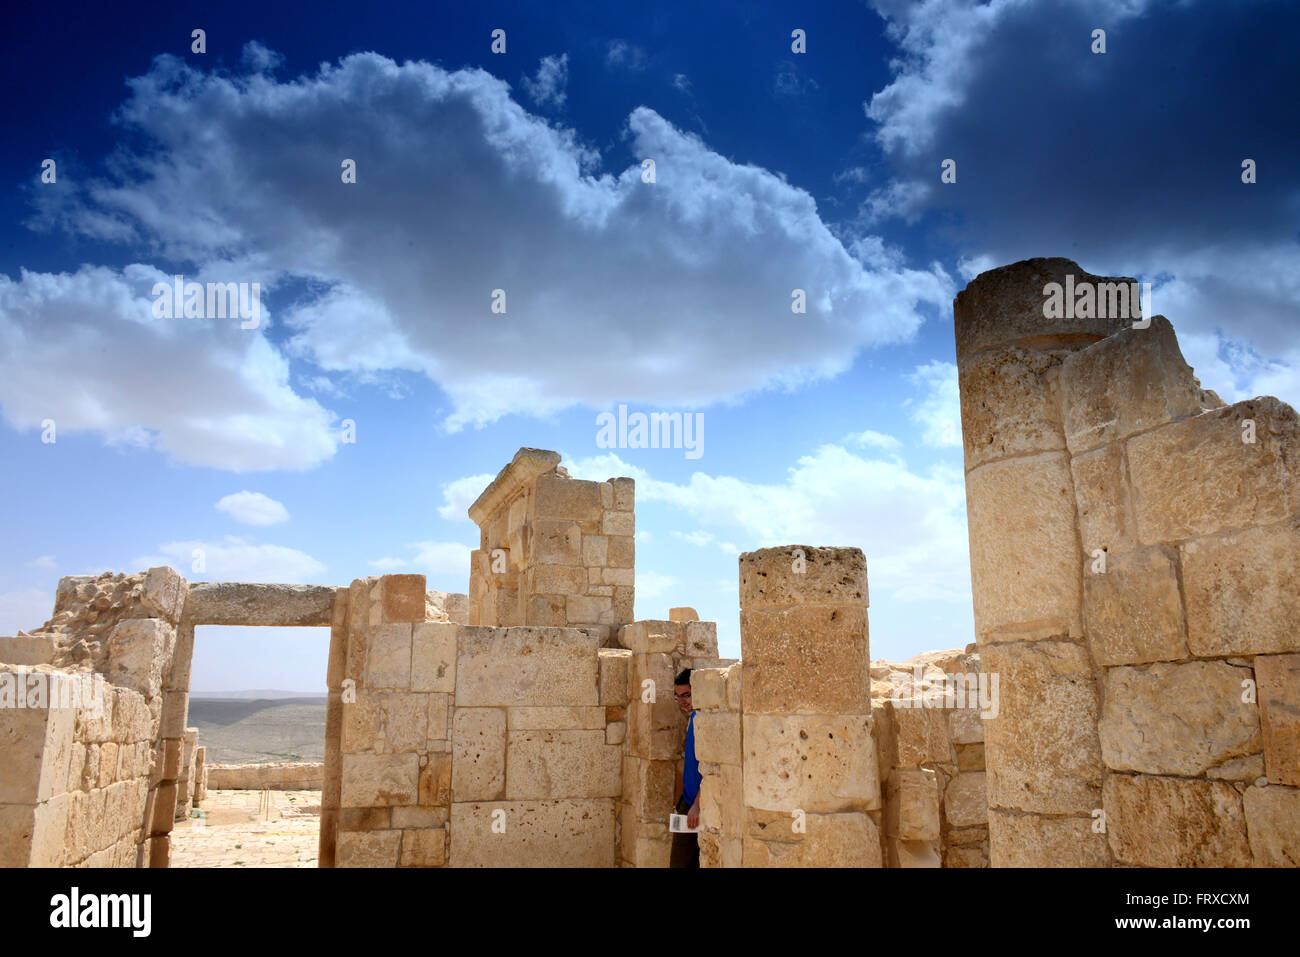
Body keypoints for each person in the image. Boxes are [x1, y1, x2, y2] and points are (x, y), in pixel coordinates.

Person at [669, 668, 701, 868]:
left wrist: (698, 804)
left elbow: (712, 769)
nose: (682, 701)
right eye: (678, 696)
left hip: (697, 804)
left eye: (686, 695)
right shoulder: (694, 718)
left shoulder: (703, 719)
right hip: (687, 802)